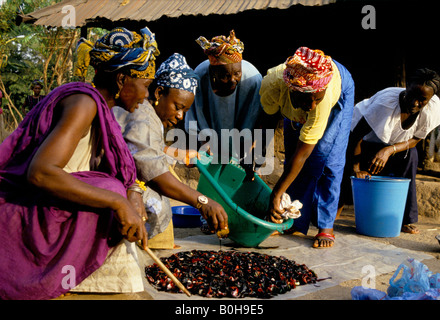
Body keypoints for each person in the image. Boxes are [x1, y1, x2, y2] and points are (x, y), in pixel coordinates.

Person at [0, 26, 159, 300]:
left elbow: (116, 171)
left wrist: (133, 194)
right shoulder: (83, 104)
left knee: (125, 194)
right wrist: (119, 202)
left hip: (48, 200)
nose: (146, 95)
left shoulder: (99, 109)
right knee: (110, 191)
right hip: (26, 208)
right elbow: (41, 174)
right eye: (144, 85)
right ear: (122, 79)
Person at [113, 53, 228, 248]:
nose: (180, 116)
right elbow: (155, 174)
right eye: (178, 107)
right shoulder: (143, 117)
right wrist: (202, 201)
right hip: (117, 189)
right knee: (156, 204)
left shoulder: (150, 116)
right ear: (158, 93)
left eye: (185, 111)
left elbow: (145, 149)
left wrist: (180, 154)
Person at [260, 47, 355, 248]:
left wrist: (276, 192)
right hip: (295, 102)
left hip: (341, 91)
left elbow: (304, 155)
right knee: (292, 156)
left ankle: (326, 225)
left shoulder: (322, 100)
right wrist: (257, 154)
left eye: (316, 99)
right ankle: (295, 220)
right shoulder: (272, 85)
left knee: (328, 159)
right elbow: (268, 119)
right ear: (290, 90)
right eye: (305, 99)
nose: (311, 106)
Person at [339, 68, 440, 235]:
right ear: (407, 86)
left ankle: (404, 219)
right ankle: (336, 209)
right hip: (362, 144)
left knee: (411, 156)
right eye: (413, 95)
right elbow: (355, 136)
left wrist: (388, 150)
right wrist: (356, 168)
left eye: (422, 100)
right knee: (347, 176)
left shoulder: (433, 108)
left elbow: (416, 139)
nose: (416, 103)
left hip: (392, 146)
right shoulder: (385, 104)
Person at [184, 30, 263, 165]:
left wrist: (252, 153)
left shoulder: (253, 80)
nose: (233, 80)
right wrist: (204, 142)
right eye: (225, 76)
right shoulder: (199, 77)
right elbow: (195, 113)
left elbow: (259, 118)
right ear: (213, 72)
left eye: (237, 73)